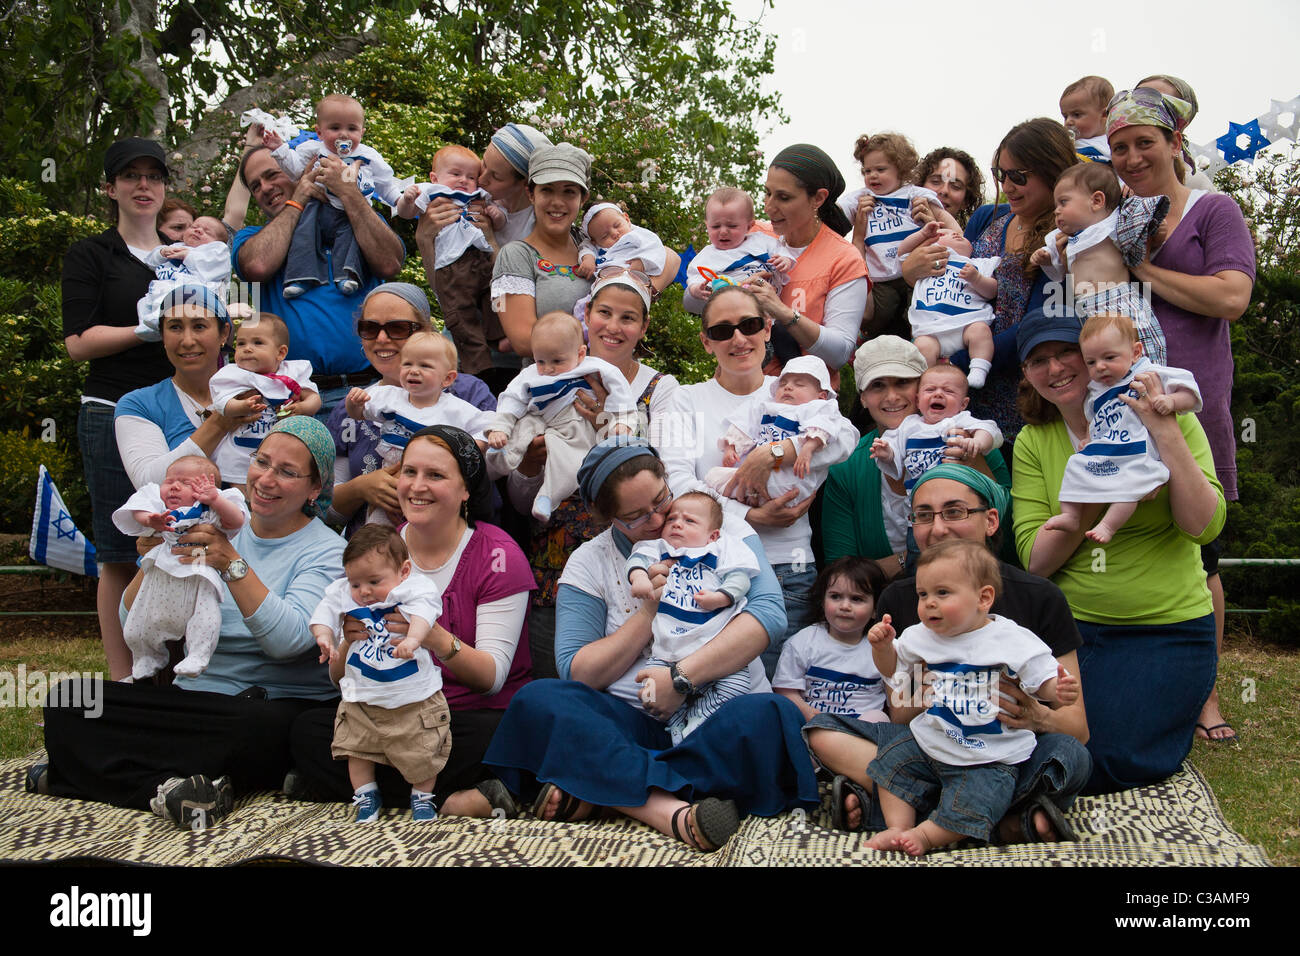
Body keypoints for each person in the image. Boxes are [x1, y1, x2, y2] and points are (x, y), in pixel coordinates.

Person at [481, 439, 820, 851]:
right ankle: (665, 809)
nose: (661, 519)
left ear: (666, 475)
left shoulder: (722, 529)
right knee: (541, 699)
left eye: (662, 500)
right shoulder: (590, 561)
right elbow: (577, 670)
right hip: (629, 724)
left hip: (714, 719)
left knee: (772, 714)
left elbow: (769, 615)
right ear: (605, 519)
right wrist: (647, 613)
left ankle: (604, 788)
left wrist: (679, 680)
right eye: (637, 516)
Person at [33, 418, 347, 829]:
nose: (266, 480)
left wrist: (231, 564)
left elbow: (288, 642)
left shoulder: (327, 551)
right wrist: (155, 558)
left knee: (259, 730)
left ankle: (76, 775)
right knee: (69, 701)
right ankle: (171, 790)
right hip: (189, 702)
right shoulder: (208, 523)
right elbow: (137, 624)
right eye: (261, 462)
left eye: (287, 472)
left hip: (263, 709)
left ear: (314, 488)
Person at [808, 463, 1090, 842]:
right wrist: (928, 685)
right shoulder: (904, 598)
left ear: (991, 520)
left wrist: (1037, 714)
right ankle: (1002, 822)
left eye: (954, 512)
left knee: (1069, 755)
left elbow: (1078, 728)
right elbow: (903, 714)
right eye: (923, 516)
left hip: (1004, 754)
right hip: (935, 740)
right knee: (822, 731)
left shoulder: (1038, 596)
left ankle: (927, 809)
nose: (937, 528)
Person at [1013, 310, 1224, 793]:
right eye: (1038, 360)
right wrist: (1096, 493)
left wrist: (1163, 430)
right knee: (1018, 739)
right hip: (1074, 631)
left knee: (1107, 754)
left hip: (1166, 628)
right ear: (1026, 375)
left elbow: (1204, 527)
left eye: (1065, 353)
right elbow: (1037, 562)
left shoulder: (1169, 411)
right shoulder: (1033, 440)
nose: (1056, 368)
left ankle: (1022, 804)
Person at [287, 426, 537, 818]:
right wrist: (348, 643)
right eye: (409, 472)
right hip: (387, 709)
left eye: (435, 475)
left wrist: (434, 638)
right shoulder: (378, 550)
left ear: (466, 489)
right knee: (309, 728)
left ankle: (351, 787)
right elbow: (341, 679)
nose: (417, 486)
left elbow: (491, 679)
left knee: (501, 736)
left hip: (466, 715)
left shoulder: (497, 555)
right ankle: (457, 792)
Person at [1107, 86, 1256, 744]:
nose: (1133, 156)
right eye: (1120, 146)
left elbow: (1230, 296)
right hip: (1118, 408)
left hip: (1193, 407)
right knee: (1125, 539)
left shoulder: (1212, 210)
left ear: (1174, 142)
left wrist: (1143, 268)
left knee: (1204, 556)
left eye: (1145, 142)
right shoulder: (1111, 215)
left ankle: (1207, 694)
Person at [507, 269, 680, 678]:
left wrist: (608, 421)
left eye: (628, 317)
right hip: (559, 561)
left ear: (644, 326)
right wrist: (530, 468)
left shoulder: (663, 388)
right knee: (567, 686)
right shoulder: (543, 376)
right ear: (586, 316)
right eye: (604, 312)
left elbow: (669, 467)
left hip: (642, 559)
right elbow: (519, 501)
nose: (614, 327)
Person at [662, 287, 845, 673]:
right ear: (706, 341)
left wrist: (773, 453)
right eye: (722, 330)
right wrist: (746, 517)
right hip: (710, 567)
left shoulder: (797, 389)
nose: (739, 338)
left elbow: (844, 438)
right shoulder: (683, 399)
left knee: (784, 687)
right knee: (714, 690)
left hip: (787, 565)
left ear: (767, 329)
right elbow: (675, 481)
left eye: (749, 325)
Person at [862, 538, 1078, 855]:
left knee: (983, 794)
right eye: (923, 594)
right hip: (931, 742)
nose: (929, 603)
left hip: (989, 755)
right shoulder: (918, 636)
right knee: (890, 761)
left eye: (942, 593)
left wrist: (1055, 688)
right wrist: (881, 649)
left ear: (983, 597)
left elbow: (1040, 673)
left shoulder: (1010, 637)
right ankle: (898, 825)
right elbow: (895, 673)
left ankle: (928, 835)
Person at [63, 137, 177, 679]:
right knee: (118, 548)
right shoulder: (93, 254)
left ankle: (184, 671)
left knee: (184, 537)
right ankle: (122, 679)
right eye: (130, 176)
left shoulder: (184, 252)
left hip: (179, 411)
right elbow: (79, 342)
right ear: (110, 188)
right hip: (110, 409)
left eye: (153, 176)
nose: (143, 186)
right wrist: (144, 330)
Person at [232, 144, 405, 394]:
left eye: (272, 175)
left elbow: (390, 263)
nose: (265, 188)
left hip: (372, 389)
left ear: (303, 166)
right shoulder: (251, 237)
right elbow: (257, 265)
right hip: (296, 396)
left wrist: (347, 193)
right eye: (255, 186)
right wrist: (298, 198)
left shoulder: (357, 219)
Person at [326, 283, 496, 536]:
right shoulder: (353, 406)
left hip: (454, 540)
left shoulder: (468, 395)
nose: (382, 338)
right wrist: (362, 487)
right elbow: (329, 512)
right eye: (370, 328)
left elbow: (500, 477)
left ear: (426, 331)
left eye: (397, 328)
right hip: (375, 554)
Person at [310, 524, 449, 822]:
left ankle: (423, 797)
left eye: (374, 581)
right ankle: (366, 795)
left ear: (404, 571)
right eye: (355, 583)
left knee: (423, 750)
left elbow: (425, 613)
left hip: (413, 696)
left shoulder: (414, 589)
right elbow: (324, 610)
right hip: (361, 695)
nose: (364, 592)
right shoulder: (347, 593)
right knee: (355, 748)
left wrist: (413, 639)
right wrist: (325, 636)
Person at [416, 122, 553, 394]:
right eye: (484, 166)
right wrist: (424, 239)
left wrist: (490, 241)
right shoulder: (467, 197)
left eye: (496, 176)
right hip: (460, 346)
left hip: (513, 357)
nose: (482, 179)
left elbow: (531, 299)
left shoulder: (542, 223)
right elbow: (442, 285)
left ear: (525, 184)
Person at [1042, 314, 1200, 543]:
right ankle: (1071, 514)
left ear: (1136, 352)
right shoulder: (1095, 390)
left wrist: (1172, 402)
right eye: (1092, 362)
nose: (1101, 367)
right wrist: (1088, 438)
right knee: (1075, 466)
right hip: (1107, 449)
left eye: (1109, 357)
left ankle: (1108, 526)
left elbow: (1190, 391)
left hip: (1138, 451)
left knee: (1128, 489)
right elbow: (1093, 420)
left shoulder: (1149, 373)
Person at [627, 491, 761, 743]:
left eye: (689, 521)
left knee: (736, 688)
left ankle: (700, 719)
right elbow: (637, 560)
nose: (677, 523)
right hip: (667, 650)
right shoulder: (659, 548)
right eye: (672, 519)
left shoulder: (722, 548)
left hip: (715, 650)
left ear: (713, 535)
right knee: (649, 694)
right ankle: (677, 726)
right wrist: (640, 578)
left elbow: (740, 578)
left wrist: (721, 597)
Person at [486, 311, 637, 522]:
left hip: (573, 420)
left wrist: (621, 422)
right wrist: (501, 426)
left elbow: (621, 394)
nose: (547, 369)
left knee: (569, 458)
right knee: (520, 428)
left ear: (581, 353)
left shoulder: (596, 367)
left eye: (557, 361)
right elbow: (512, 398)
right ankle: (501, 457)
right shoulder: (530, 373)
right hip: (539, 416)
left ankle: (548, 496)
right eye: (540, 361)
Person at [112, 455, 247, 680]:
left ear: (209, 486)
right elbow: (137, 508)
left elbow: (236, 521)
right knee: (139, 618)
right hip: (161, 569)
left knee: (206, 616)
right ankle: (147, 656)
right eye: (169, 480)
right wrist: (149, 520)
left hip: (198, 571)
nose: (174, 486)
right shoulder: (159, 504)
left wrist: (216, 500)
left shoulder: (210, 507)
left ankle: (198, 654)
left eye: (185, 483)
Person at [261, 93, 405, 298]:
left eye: (352, 128)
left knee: (352, 237)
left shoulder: (367, 155)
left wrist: (400, 200)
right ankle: (302, 276)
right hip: (317, 206)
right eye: (335, 128)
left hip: (349, 212)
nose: (344, 134)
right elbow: (293, 170)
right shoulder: (313, 149)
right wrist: (280, 149)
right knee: (304, 234)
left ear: (362, 132)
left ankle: (347, 275)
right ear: (319, 132)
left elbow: (385, 184)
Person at [746, 144, 869, 376]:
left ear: (818, 199)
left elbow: (840, 352)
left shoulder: (844, 258)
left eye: (783, 197)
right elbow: (693, 301)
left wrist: (781, 311)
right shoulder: (753, 235)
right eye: (768, 193)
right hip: (740, 392)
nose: (769, 207)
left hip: (803, 402)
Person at [1031, 162, 1168, 363]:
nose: (1056, 211)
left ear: (1096, 201)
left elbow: (1143, 231)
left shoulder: (1114, 223)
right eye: (1056, 205)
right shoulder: (1062, 237)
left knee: (1142, 348)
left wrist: (1157, 231)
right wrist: (1046, 258)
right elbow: (1059, 270)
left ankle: (1156, 378)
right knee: (1103, 361)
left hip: (1118, 300)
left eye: (1063, 202)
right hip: (1086, 308)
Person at [397, 144, 507, 379]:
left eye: (471, 176)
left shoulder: (479, 196)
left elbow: (497, 218)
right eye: (456, 174)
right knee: (461, 313)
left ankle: (501, 336)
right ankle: (478, 363)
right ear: (435, 177)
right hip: (451, 263)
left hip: (482, 257)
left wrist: (495, 217)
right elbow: (406, 213)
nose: (463, 181)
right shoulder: (431, 192)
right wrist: (407, 200)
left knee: (495, 297)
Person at [840, 132, 961, 338]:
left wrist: (954, 234)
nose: (872, 175)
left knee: (916, 312)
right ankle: (871, 339)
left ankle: (920, 338)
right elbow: (834, 216)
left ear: (901, 170)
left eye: (880, 169)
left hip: (914, 268)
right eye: (867, 170)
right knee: (878, 317)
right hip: (880, 277)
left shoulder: (914, 194)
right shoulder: (862, 198)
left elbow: (943, 217)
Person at [705, 354, 857, 504]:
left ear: (821, 396)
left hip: (791, 477)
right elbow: (746, 424)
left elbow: (830, 427)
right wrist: (732, 447)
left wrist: (807, 447)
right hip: (753, 474)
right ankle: (743, 499)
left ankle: (747, 496)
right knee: (712, 476)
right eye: (783, 383)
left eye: (799, 384)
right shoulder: (766, 405)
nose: (788, 387)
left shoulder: (817, 407)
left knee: (776, 482)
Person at [210, 311, 321, 488]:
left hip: (284, 453)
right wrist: (241, 406)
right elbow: (222, 404)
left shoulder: (291, 372)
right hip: (241, 453)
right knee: (242, 497)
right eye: (241, 343)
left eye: (258, 343)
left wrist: (303, 408)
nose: (247, 348)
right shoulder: (234, 374)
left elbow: (314, 399)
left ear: (281, 352)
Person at [773, 556, 889, 723]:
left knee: (879, 718)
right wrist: (807, 712)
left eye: (856, 599)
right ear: (822, 601)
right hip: (813, 726)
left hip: (863, 730)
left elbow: (895, 697)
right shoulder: (804, 641)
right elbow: (784, 690)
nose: (844, 606)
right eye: (835, 597)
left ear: (875, 609)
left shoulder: (882, 649)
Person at [871, 364, 1003, 495]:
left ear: (963, 404)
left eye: (949, 391)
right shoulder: (909, 425)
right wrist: (888, 453)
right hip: (920, 494)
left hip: (958, 489)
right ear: (918, 400)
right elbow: (893, 444)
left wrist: (978, 442)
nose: (938, 394)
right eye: (930, 390)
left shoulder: (958, 420)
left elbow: (989, 429)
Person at [897, 221, 998, 384]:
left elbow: (992, 290)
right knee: (922, 346)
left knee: (981, 331)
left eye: (958, 234)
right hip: (931, 329)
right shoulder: (926, 263)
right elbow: (901, 252)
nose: (955, 234)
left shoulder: (978, 264)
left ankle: (979, 370)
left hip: (967, 324)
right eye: (944, 234)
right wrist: (923, 234)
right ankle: (926, 383)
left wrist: (977, 279)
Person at [683, 187, 793, 310]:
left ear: (749, 226)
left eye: (732, 226)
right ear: (707, 226)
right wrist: (695, 289)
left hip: (771, 307)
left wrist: (785, 260)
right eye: (715, 226)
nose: (723, 232)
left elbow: (782, 251)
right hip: (734, 311)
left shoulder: (761, 240)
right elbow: (695, 278)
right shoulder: (707, 256)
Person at [134, 215, 231, 340]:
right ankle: (149, 326)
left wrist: (188, 255)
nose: (198, 230)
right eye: (194, 227)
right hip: (166, 287)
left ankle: (158, 319)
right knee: (143, 302)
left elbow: (215, 266)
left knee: (168, 301)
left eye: (207, 231)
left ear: (217, 242)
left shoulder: (217, 251)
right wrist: (161, 253)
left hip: (194, 292)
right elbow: (150, 262)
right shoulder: (175, 246)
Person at [915, 148, 985, 228]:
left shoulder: (967, 240)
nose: (944, 191)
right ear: (919, 186)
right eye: (935, 181)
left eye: (956, 186)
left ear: (966, 201)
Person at [1060, 75, 1116, 164]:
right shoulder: (1068, 145)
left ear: (1104, 115)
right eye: (1065, 116)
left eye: (1076, 115)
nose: (1068, 121)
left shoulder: (1112, 143)